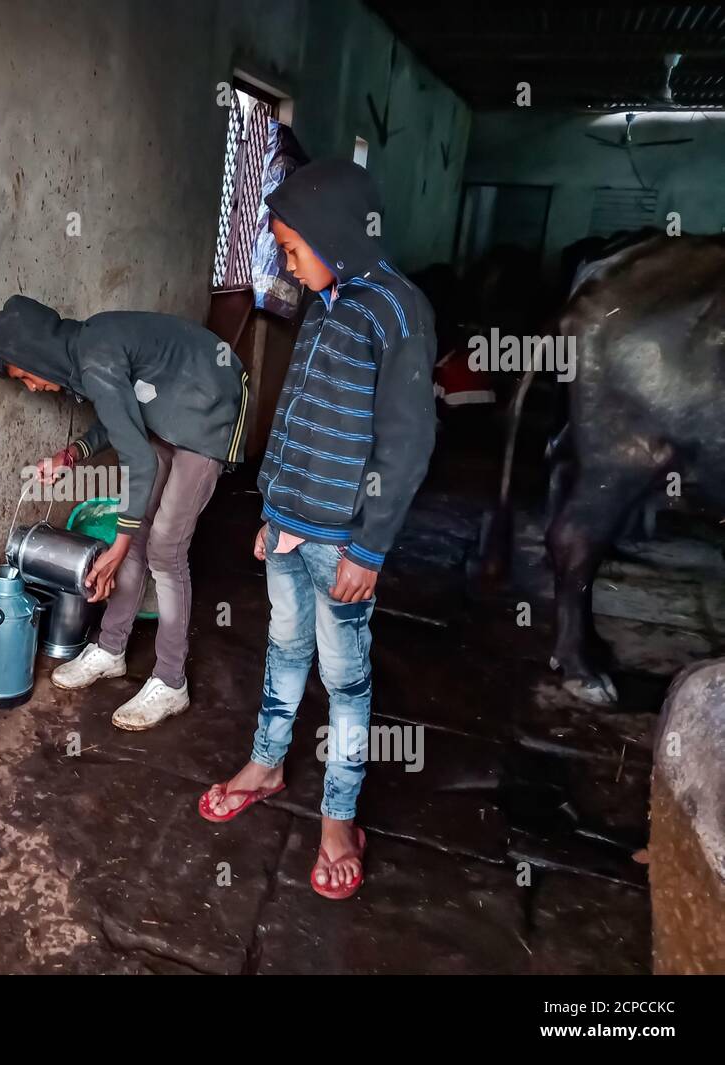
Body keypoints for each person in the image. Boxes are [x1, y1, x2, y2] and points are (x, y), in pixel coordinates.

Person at [198, 160, 436, 900]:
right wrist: (271, 508)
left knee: (346, 677)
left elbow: (406, 443)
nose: (289, 268)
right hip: (290, 525)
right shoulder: (326, 301)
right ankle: (267, 763)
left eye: (294, 250)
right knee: (284, 648)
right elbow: (298, 411)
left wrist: (369, 547)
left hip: (341, 539)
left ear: (337, 236)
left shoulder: (396, 311)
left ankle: (340, 817)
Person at [0, 295, 249, 730]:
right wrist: (71, 456)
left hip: (211, 405)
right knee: (136, 533)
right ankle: (111, 649)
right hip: (167, 410)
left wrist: (120, 541)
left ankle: (171, 680)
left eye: (26, 375)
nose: (32, 386)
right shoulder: (86, 353)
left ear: (35, 355)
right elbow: (121, 417)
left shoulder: (95, 357)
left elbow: (139, 461)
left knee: (165, 547)